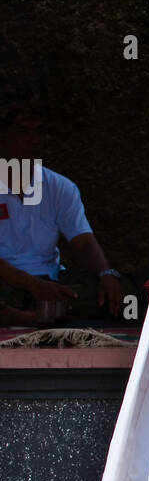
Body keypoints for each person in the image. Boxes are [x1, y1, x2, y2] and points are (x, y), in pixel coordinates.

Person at [0, 108, 125, 324]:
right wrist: (32, 285)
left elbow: (83, 240)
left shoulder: (60, 186)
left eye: (38, 133)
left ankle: (33, 316)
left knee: (123, 293)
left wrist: (106, 274)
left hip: (51, 280)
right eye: (23, 132)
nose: (33, 140)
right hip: (8, 282)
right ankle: (43, 315)